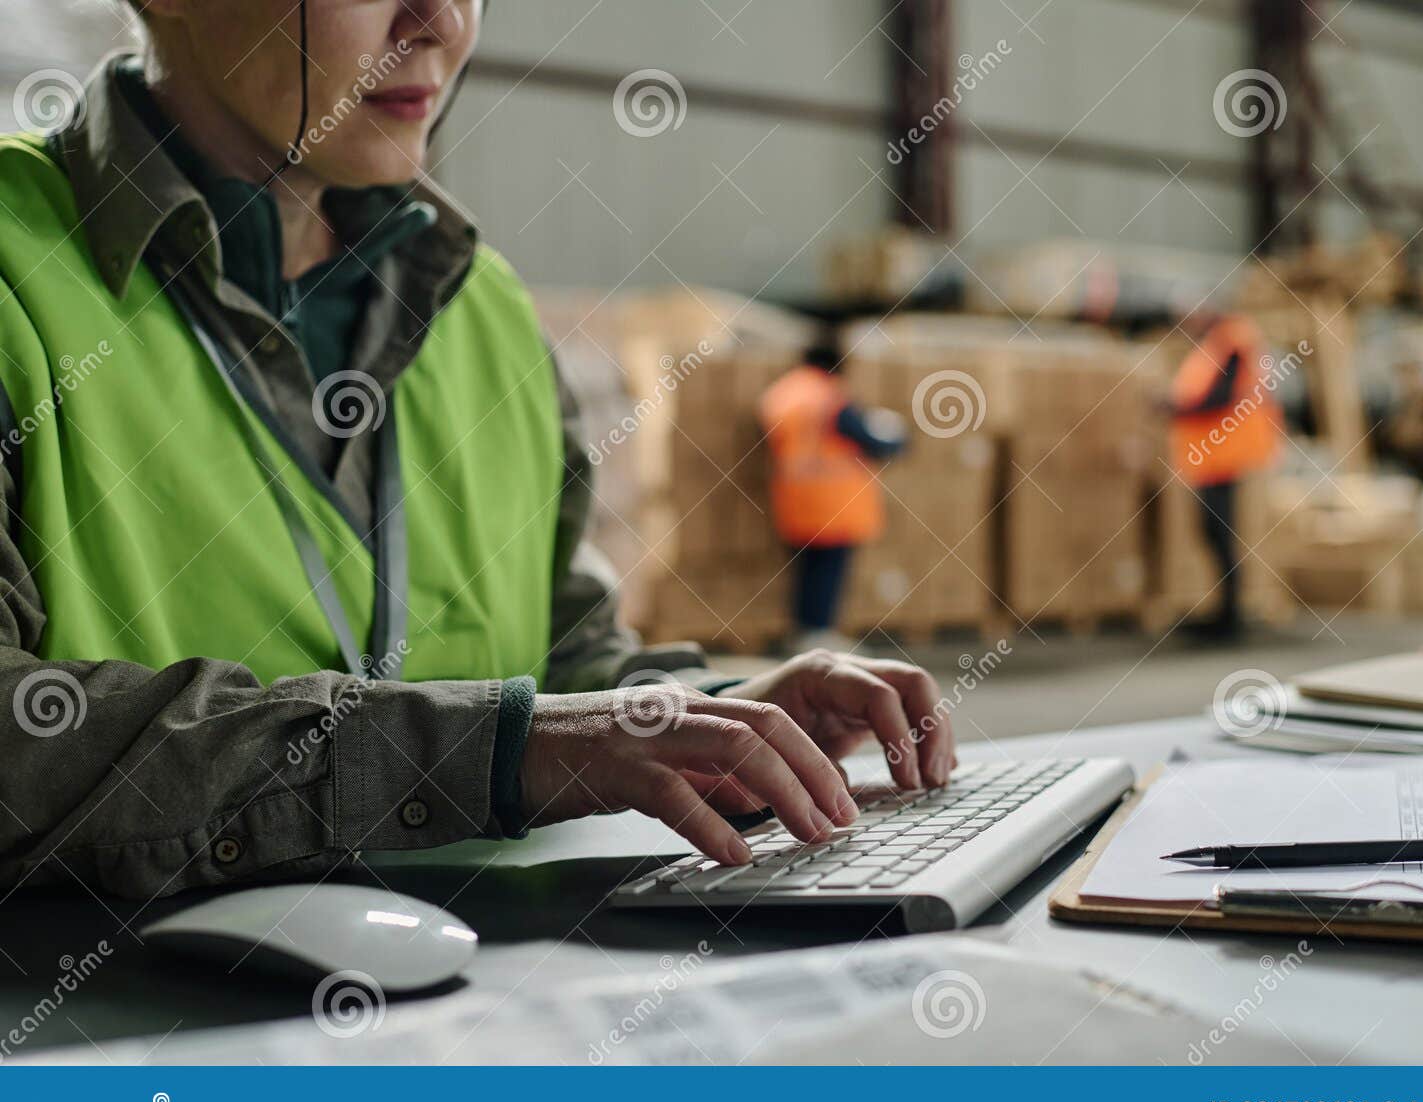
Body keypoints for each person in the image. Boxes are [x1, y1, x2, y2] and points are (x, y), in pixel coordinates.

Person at [0, 0, 956, 900]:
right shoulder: (18, 271)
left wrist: (709, 716)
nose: (442, 21)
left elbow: (560, 659)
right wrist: (488, 752)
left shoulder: (478, 305)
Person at [760, 340, 906, 651]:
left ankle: (803, 633)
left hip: (795, 497)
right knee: (829, 570)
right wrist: (896, 438)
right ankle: (819, 635)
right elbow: (870, 441)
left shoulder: (780, 395)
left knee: (808, 569)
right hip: (835, 502)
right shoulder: (829, 397)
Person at [1168, 310, 1282, 639]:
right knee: (1213, 532)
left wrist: (1176, 408)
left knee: (1220, 532)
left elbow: (1220, 397)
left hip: (1225, 454)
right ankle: (1224, 611)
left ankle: (1229, 615)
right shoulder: (1217, 345)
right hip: (1213, 456)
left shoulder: (1232, 343)